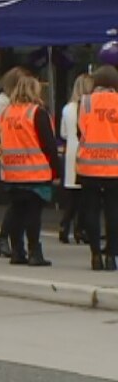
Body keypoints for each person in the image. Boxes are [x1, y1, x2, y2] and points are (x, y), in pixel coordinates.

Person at [0, 75, 59, 266]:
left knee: (17, 212)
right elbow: (49, 144)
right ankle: (34, 252)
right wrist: (56, 170)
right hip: (35, 171)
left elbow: (1, 140)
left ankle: (17, 251)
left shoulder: (6, 113)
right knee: (33, 214)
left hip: (12, 171)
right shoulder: (37, 112)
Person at [76, 64, 118, 271]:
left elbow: (80, 131)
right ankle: (111, 255)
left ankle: (95, 256)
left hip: (89, 165)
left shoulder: (85, 102)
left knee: (91, 211)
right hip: (115, 167)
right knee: (113, 211)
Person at [0, 66, 32, 258]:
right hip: (14, 159)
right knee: (17, 204)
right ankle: (4, 238)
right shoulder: (2, 104)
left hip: (23, 160)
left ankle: (9, 239)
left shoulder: (18, 105)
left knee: (21, 204)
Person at [59, 73, 93, 244]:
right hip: (84, 151)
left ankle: (65, 226)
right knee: (86, 195)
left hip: (70, 151)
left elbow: (63, 133)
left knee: (72, 194)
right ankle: (81, 229)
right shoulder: (89, 108)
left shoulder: (67, 108)